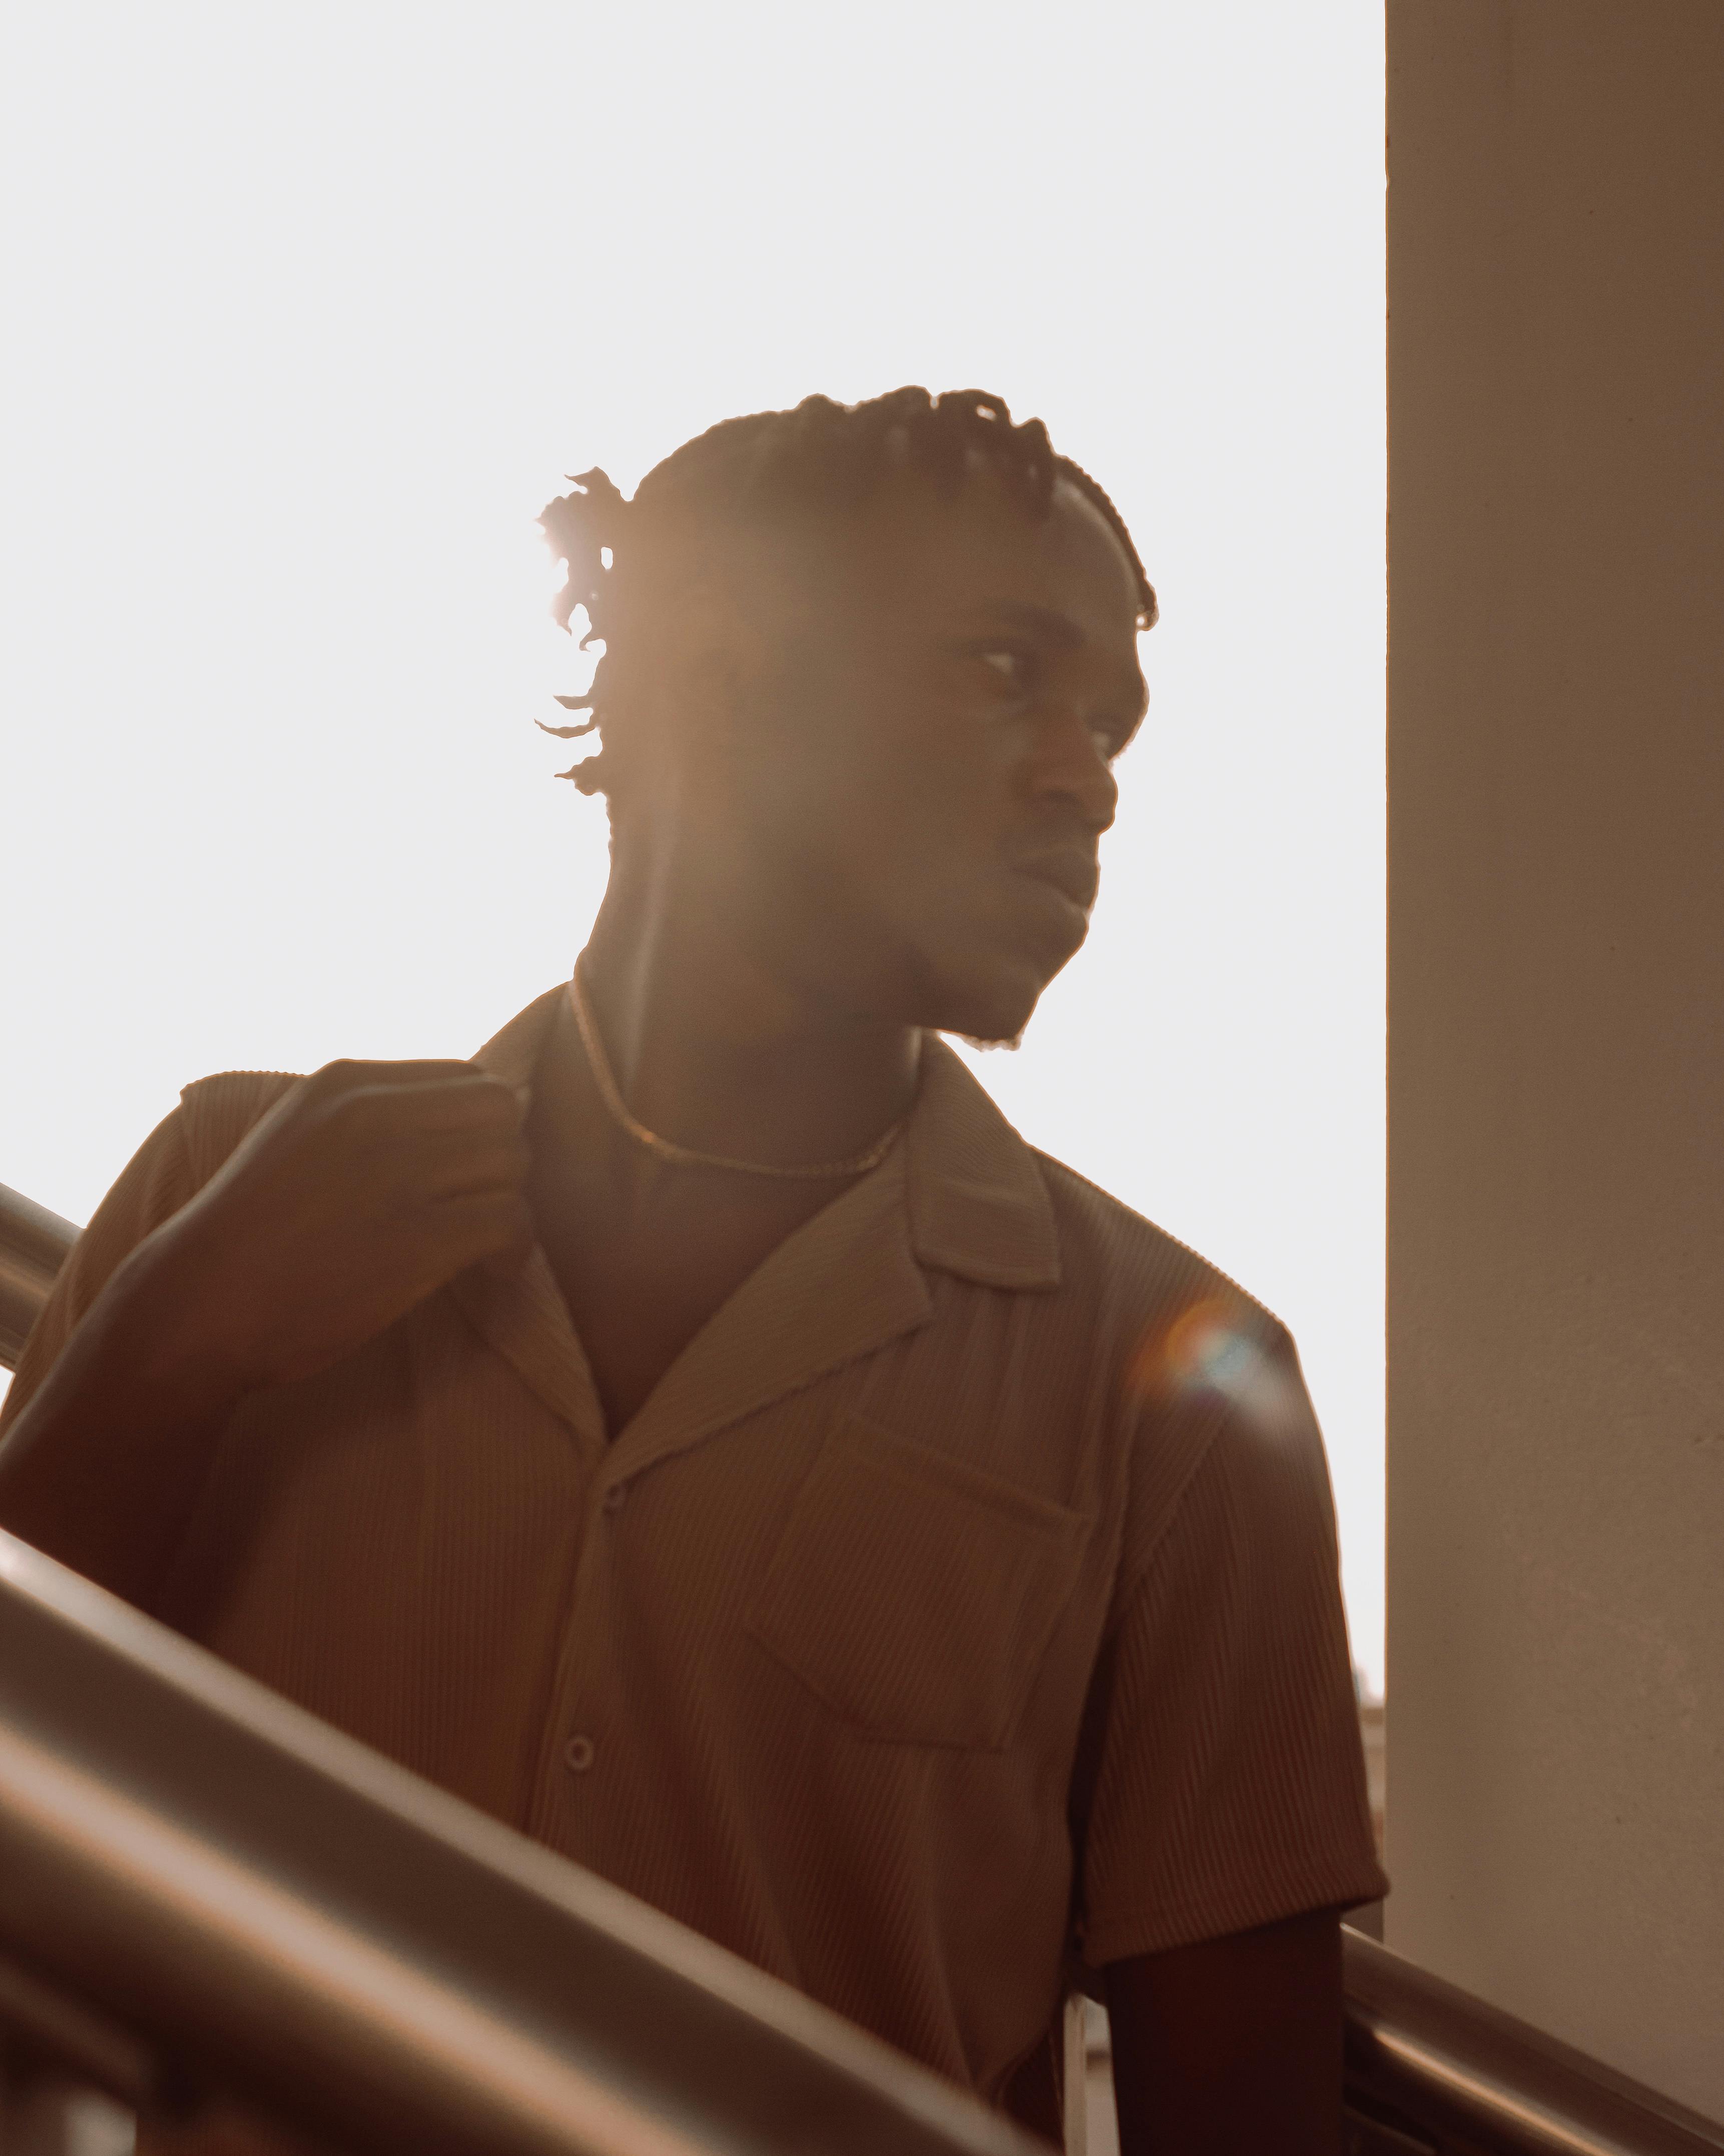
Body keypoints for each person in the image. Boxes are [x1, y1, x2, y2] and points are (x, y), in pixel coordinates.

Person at [0, 387, 1386, 2153]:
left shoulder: (1188, 1392)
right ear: (722, 674)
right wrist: (166, 1353)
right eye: (1002, 670)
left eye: (1111, 721)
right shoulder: (225, 1187)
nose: (1084, 775)